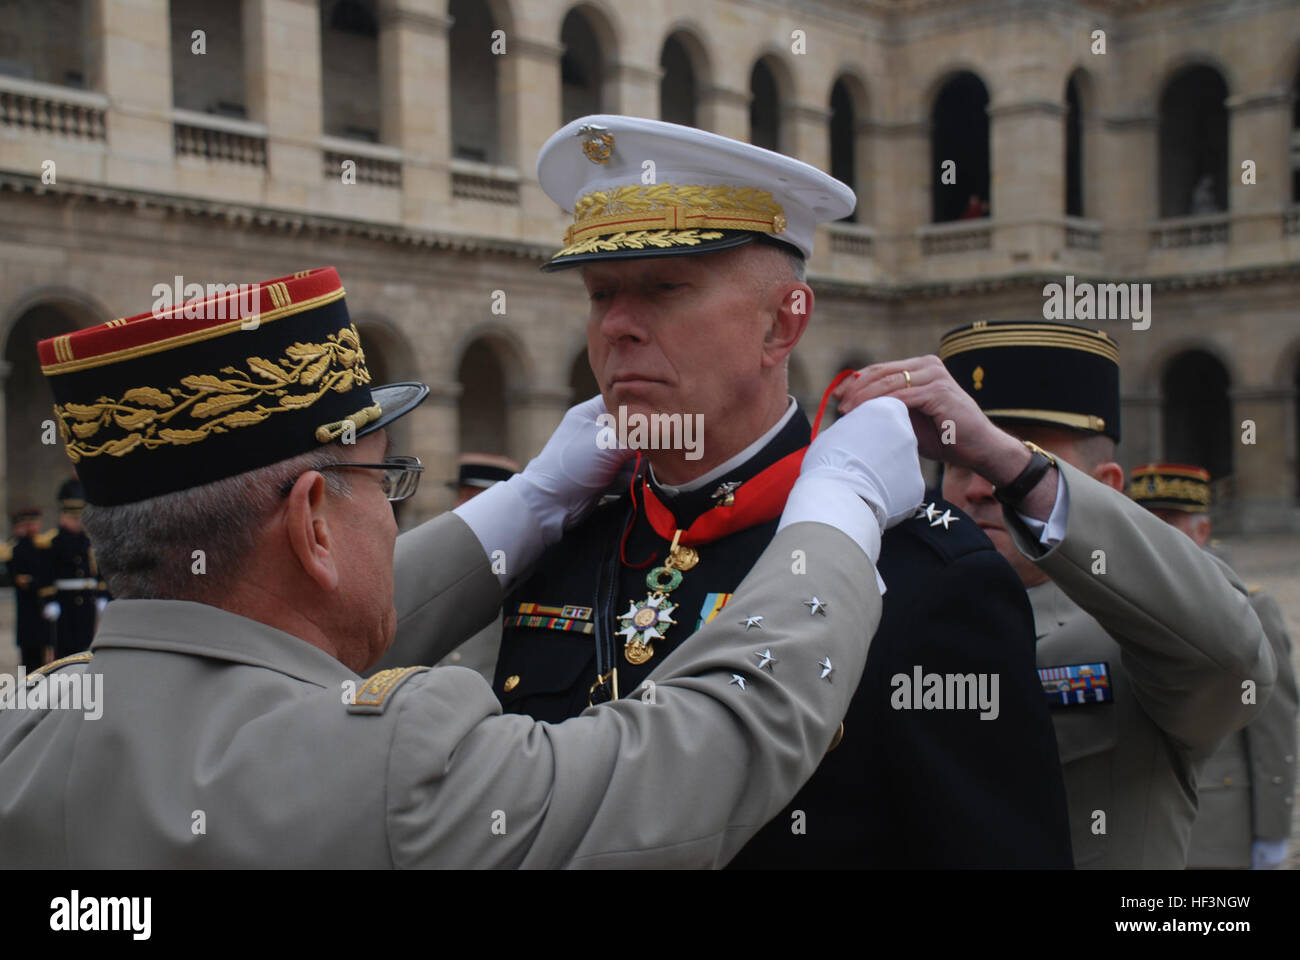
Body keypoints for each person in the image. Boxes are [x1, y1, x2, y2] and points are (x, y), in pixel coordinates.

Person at [0, 265, 924, 869]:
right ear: (315, 522)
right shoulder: (395, 771)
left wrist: (522, 509)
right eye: (383, 482)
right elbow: (724, 735)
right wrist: (837, 514)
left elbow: (279, 637)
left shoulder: (29, 732)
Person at [382, 115, 1073, 867]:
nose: (617, 325)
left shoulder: (930, 574)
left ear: (782, 325)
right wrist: (526, 503)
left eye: (665, 288)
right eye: (600, 292)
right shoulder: (563, 543)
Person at [835, 319, 1278, 868]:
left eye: (1011, 456)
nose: (976, 487)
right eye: (958, 462)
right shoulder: (882, 609)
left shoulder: (1143, 629)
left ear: (1108, 486)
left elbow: (1232, 659)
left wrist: (1016, 472)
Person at [1129, 462, 1297, 870]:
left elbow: (1273, 733)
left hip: (1218, 831)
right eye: (1144, 520)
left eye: (1171, 520)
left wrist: (1271, 833)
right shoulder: (1110, 603)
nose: (1155, 532)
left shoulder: (1250, 610)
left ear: (1202, 532)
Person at [437, 453, 520, 681]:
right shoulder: (441, 551)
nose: (462, 505)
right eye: (462, 495)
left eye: (475, 497)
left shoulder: (522, 562)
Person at [42, 479, 107, 658]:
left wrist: (101, 594)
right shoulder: (55, 542)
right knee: (65, 645)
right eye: (73, 519)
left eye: (80, 519)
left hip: (87, 599)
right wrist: (49, 600)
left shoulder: (88, 541)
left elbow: (97, 569)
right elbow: (47, 572)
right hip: (65, 600)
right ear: (63, 517)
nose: (78, 523)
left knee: (85, 642)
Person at [2, 507, 53, 670]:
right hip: (28, 609)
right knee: (29, 657)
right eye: (29, 524)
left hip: (45, 607)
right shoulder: (17, 548)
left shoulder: (44, 546)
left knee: (47, 653)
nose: (35, 528)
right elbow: (21, 578)